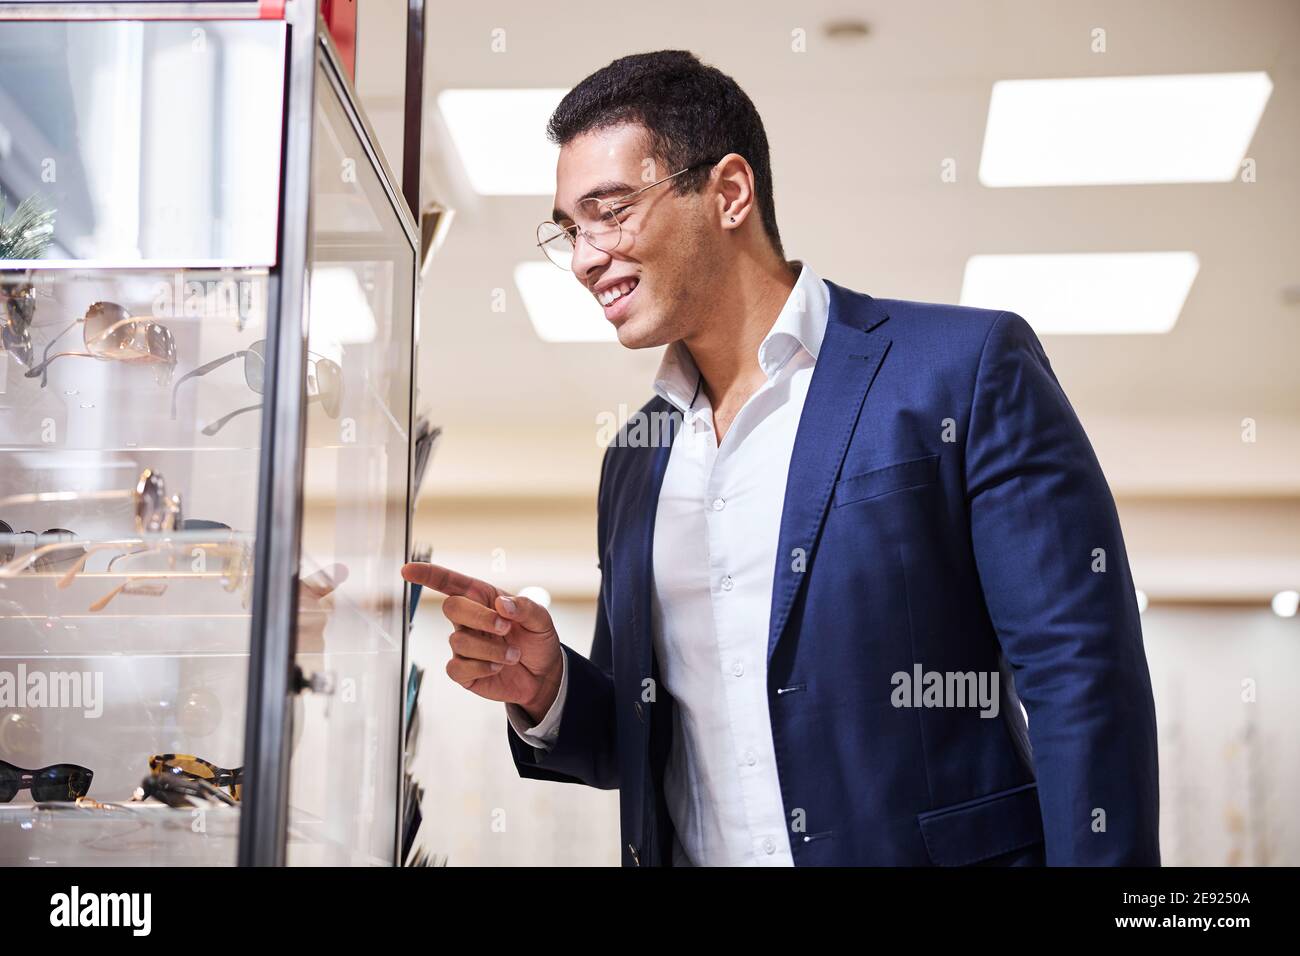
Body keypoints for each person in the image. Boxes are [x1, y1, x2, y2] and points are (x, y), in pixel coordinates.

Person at [401, 50, 1160, 867]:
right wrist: (550, 687)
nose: (585, 258)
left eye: (610, 213)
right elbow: (647, 739)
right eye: (569, 229)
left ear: (729, 193)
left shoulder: (960, 371)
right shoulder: (634, 459)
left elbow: (1081, 677)